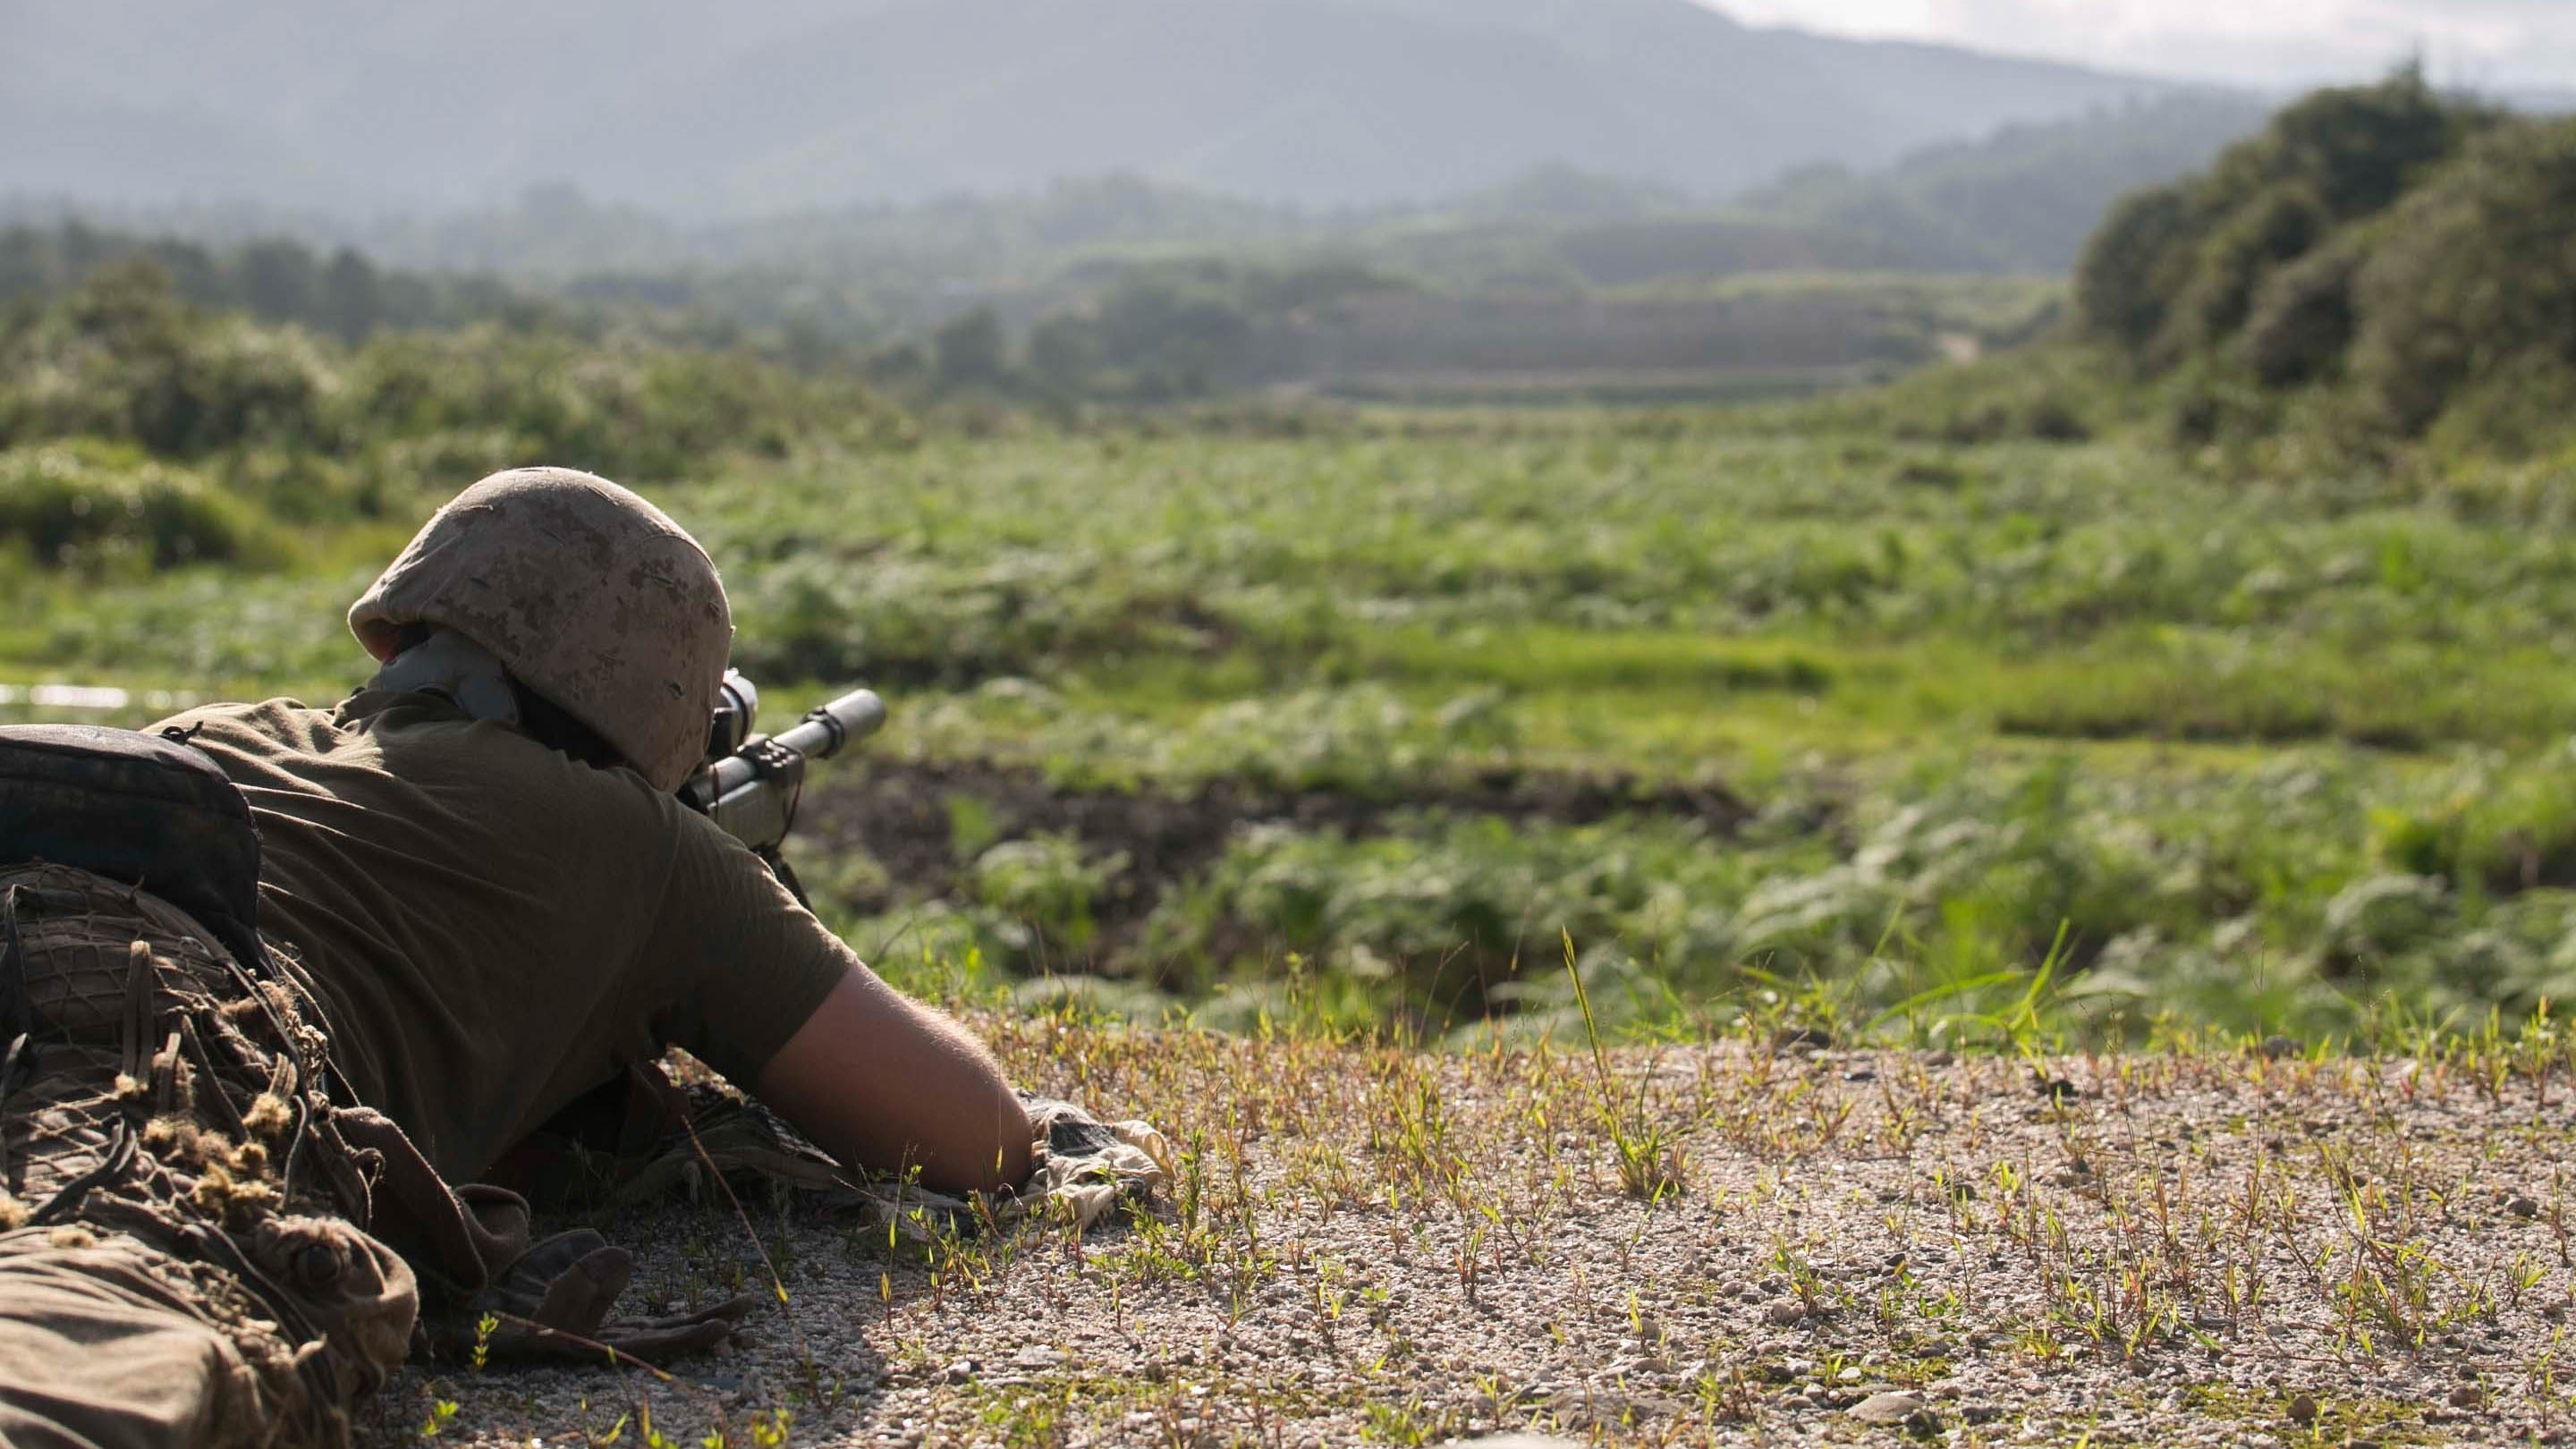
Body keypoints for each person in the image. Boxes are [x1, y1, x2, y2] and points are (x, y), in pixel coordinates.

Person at [0, 467, 1035, 1448]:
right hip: (167, 1039)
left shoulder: (217, 733)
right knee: (91, 1333)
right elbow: (974, 1135)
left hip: (43, 939)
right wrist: (719, 892)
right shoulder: (641, 844)